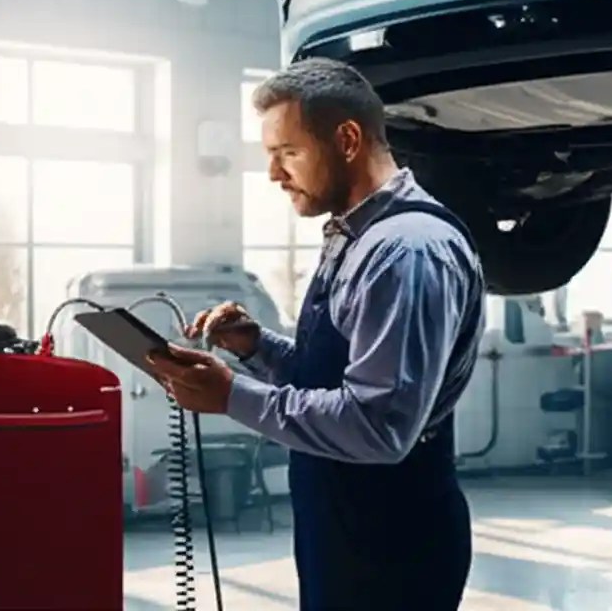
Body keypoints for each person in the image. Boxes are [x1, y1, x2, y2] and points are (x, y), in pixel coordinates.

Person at [145, 56, 486, 611]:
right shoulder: (357, 234)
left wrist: (231, 395)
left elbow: (379, 425)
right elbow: (338, 376)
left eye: (288, 154)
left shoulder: (406, 250)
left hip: (391, 543)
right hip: (345, 525)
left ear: (348, 139)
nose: (275, 175)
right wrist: (256, 349)